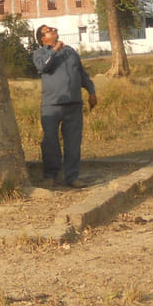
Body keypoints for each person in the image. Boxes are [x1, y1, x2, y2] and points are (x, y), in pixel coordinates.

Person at [32, 24, 97, 188]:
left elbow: (81, 73)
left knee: (73, 143)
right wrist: (54, 50)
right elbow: (43, 67)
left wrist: (91, 91)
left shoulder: (70, 52)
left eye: (55, 28)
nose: (54, 30)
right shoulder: (40, 53)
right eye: (49, 30)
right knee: (50, 141)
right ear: (43, 38)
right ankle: (51, 175)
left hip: (74, 105)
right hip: (52, 105)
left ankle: (72, 176)